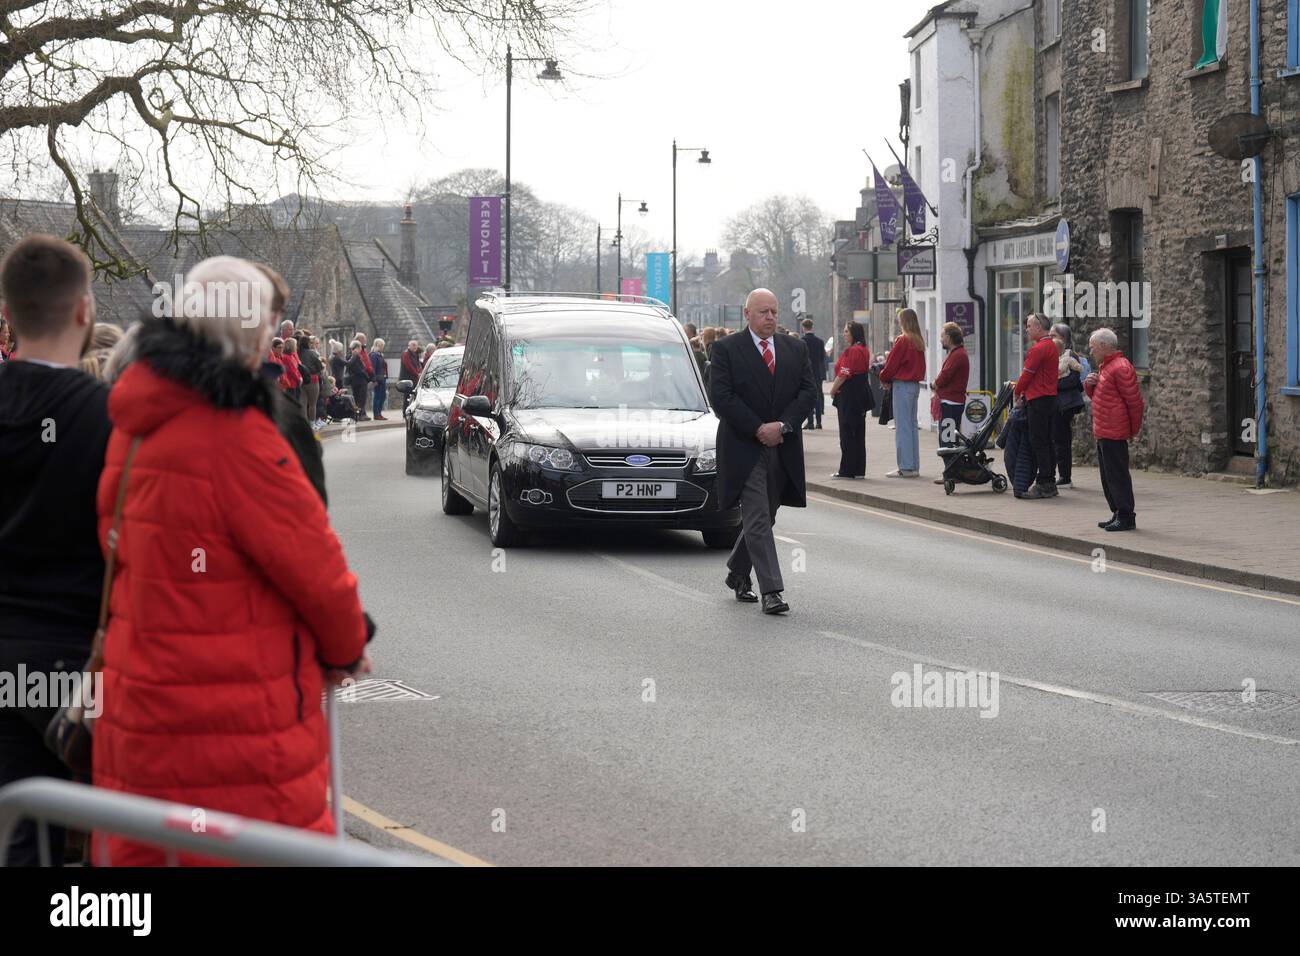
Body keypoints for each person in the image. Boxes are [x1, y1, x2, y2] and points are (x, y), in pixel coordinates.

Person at [90, 256, 372, 866]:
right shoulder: (238, 435)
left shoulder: (133, 424)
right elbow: (316, 570)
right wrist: (348, 646)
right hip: (235, 723)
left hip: (141, 705)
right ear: (249, 335)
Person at [0, 235, 112, 866]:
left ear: (7, 314)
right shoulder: (107, 415)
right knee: (100, 836)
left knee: (17, 837)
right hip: (79, 659)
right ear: (83, 310)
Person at [707, 288, 817, 616]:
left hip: (782, 446)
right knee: (755, 515)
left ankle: (738, 572)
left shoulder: (794, 348)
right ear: (747, 315)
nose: (770, 318)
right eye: (763, 312)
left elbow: (808, 391)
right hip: (743, 445)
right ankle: (772, 590)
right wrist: (759, 428)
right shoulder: (726, 348)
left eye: (774, 311)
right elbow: (722, 397)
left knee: (766, 515)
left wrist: (781, 426)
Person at [1085, 327, 1144, 531]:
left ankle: (1126, 516)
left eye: (1093, 347)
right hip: (1105, 430)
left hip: (1114, 431)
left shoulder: (1120, 367)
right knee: (1108, 476)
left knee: (1117, 475)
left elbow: (1134, 403)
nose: (1090, 352)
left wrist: (1132, 430)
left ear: (1104, 346)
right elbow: (1103, 399)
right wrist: (1090, 386)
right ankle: (1118, 512)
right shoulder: (1107, 367)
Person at [1014, 313, 1060, 499]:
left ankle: (1045, 482)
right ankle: (1048, 480)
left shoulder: (1038, 348)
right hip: (1049, 397)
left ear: (1039, 327)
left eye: (1030, 326)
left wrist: (1017, 392)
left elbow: (1027, 374)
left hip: (1038, 398)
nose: (1026, 329)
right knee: (1047, 441)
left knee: (1039, 441)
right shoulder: (1051, 346)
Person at [878, 308, 926, 477]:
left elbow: (891, 365)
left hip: (902, 385)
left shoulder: (903, 340)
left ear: (904, 322)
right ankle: (913, 465)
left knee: (902, 427)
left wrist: (883, 377)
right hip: (914, 385)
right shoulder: (918, 340)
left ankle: (905, 466)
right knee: (911, 426)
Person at [829, 321, 872, 478]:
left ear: (854, 333)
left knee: (847, 433)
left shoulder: (851, 351)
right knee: (858, 432)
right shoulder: (864, 350)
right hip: (861, 393)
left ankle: (846, 470)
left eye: (846, 331)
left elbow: (843, 374)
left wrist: (832, 390)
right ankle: (859, 469)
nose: (844, 334)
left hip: (849, 394)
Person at [930, 322, 970, 482]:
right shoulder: (957, 353)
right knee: (949, 439)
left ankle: (952, 473)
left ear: (949, 337)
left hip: (951, 403)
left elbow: (945, 375)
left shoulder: (957, 355)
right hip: (952, 402)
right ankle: (952, 471)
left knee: (947, 440)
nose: (941, 340)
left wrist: (934, 384)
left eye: (942, 336)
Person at [1051, 323, 1086, 489]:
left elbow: (1073, 380)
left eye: (1053, 336)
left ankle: (1065, 477)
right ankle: (1060, 475)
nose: (1050, 339)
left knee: (1061, 439)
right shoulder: (1053, 354)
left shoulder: (1070, 355)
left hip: (1064, 405)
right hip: (1056, 404)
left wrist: (1052, 384)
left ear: (1063, 339)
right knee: (1056, 438)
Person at [801, 318, 827, 430]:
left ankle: (810, 422)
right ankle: (819, 422)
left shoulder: (802, 341)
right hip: (817, 372)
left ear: (803, 328)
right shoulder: (820, 342)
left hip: (806, 373)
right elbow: (822, 357)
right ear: (812, 327)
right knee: (817, 397)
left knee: (807, 397)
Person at [298, 333, 325, 426]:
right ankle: (312, 424)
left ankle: (304, 424)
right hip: (313, 380)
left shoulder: (297, 353)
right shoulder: (312, 353)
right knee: (312, 404)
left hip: (301, 380)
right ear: (308, 343)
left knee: (303, 404)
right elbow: (320, 366)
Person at [346, 340, 371, 421]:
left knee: (359, 399)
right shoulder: (352, 355)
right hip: (359, 381)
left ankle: (359, 414)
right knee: (360, 399)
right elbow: (358, 369)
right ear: (357, 347)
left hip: (358, 381)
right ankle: (359, 415)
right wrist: (366, 376)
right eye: (360, 347)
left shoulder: (354, 355)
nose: (361, 349)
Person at [370, 337, 388, 420]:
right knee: (377, 396)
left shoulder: (380, 355)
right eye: (381, 345)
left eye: (383, 345)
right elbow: (372, 368)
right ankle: (376, 414)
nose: (382, 347)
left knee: (382, 396)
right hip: (378, 379)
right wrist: (374, 380)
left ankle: (379, 413)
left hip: (382, 378)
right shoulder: (374, 355)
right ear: (377, 345)